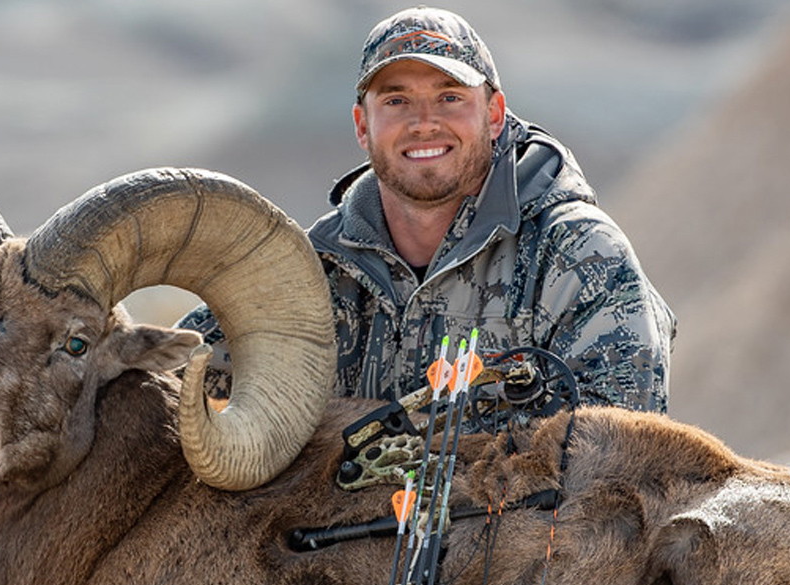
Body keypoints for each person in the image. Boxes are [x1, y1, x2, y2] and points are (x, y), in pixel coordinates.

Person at [178, 6, 675, 412]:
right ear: (362, 125)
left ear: (495, 114)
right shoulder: (314, 270)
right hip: (341, 534)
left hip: (532, 534)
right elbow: (170, 374)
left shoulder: (578, 256)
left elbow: (622, 460)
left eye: (450, 97)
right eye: (396, 102)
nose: (423, 123)